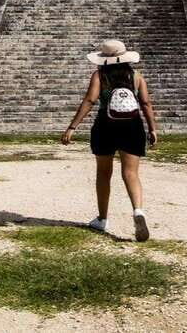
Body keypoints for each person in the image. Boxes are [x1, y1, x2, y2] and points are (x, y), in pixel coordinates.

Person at [61, 39, 158, 242]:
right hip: (132, 126)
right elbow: (146, 103)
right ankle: (138, 211)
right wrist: (152, 129)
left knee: (104, 174)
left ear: (105, 58)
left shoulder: (100, 75)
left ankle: (103, 219)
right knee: (131, 173)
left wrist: (72, 127)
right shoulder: (136, 77)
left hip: (105, 125)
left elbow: (90, 100)